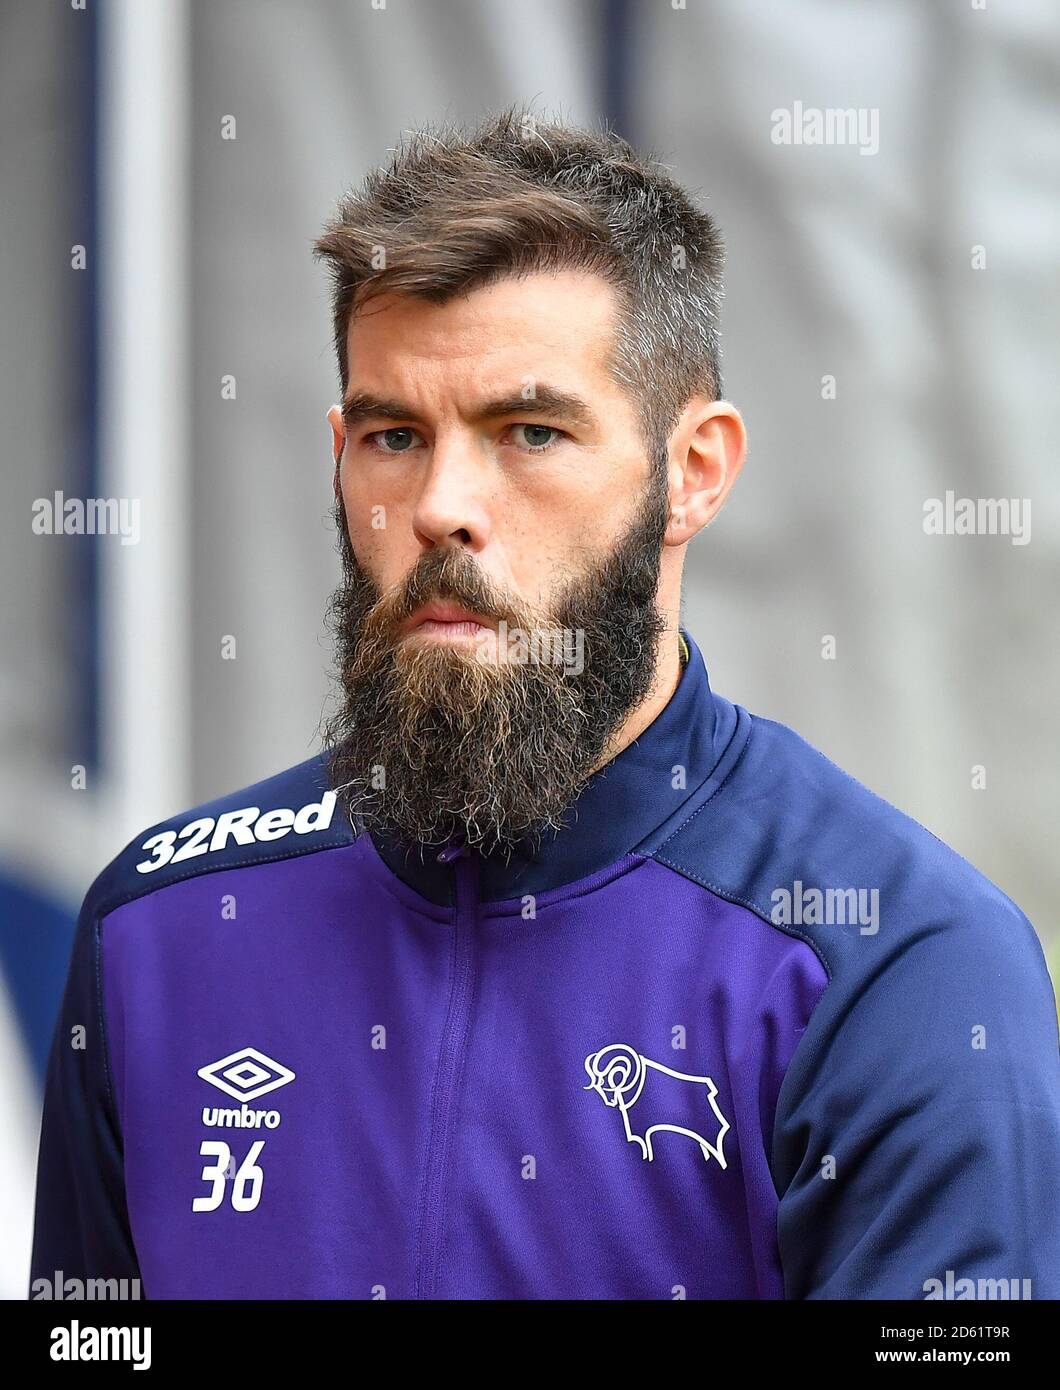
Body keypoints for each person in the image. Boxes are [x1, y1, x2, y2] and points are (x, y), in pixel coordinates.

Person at [30, 108, 1060, 1300]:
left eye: (528, 431)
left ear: (696, 470)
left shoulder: (898, 965)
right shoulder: (157, 931)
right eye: (392, 435)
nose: (440, 506)